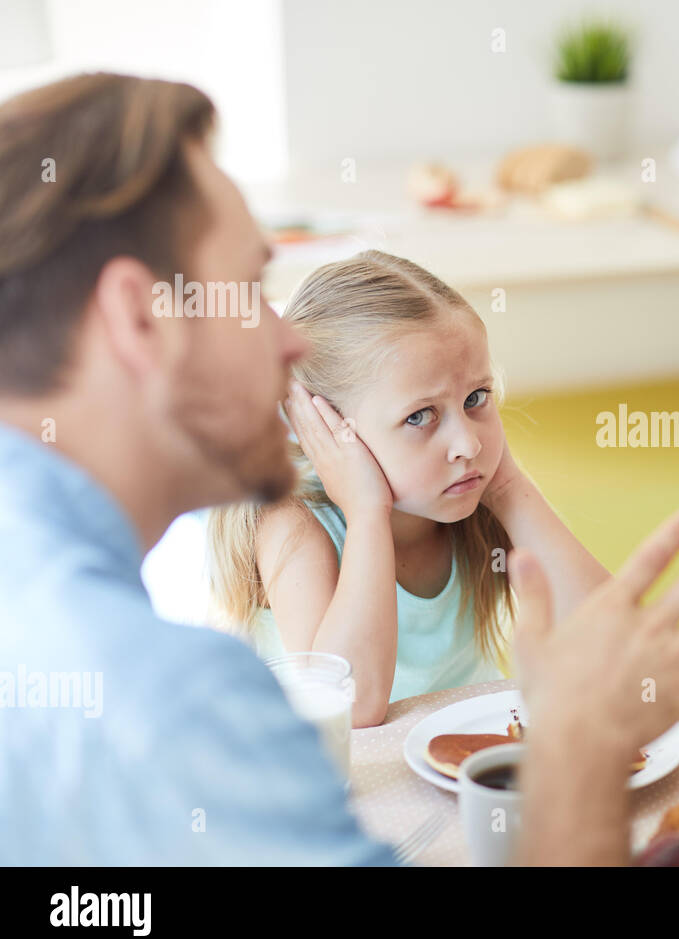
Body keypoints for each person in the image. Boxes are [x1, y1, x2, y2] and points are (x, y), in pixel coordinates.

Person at [0, 71, 679, 864]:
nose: (290, 343)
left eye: (476, 400)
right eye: (246, 290)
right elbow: (356, 696)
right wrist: (578, 764)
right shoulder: (188, 703)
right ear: (139, 320)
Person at [207, 251, 610, 726]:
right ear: (327, 429)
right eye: (419, 416)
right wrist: (366, 513)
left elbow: (610, 638)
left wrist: (508, 485)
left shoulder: (469, 493)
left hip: (466, 755)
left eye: (475, 398)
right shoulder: (294, 528)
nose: (467, 443)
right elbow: (353, 709)